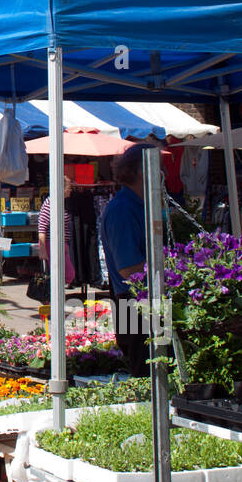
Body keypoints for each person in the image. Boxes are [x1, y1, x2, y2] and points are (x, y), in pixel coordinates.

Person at [100, 145, 156, 377]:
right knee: (147, 375)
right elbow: (128, 269)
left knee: (159, 371)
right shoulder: (122, 209)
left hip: (148, 301)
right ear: (142, 171)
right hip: (134, 305)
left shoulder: (143, 205)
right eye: (156, 166)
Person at [36, 175, 76, 288]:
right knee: (67, 274)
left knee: (63, 274)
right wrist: (42, 250)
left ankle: (54, 296)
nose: (71, 190)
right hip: (52, 244)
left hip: (61, 244)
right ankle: (52, 296)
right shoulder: (50, 205)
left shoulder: (58, 203)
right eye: (69, 187)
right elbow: (42, 227)